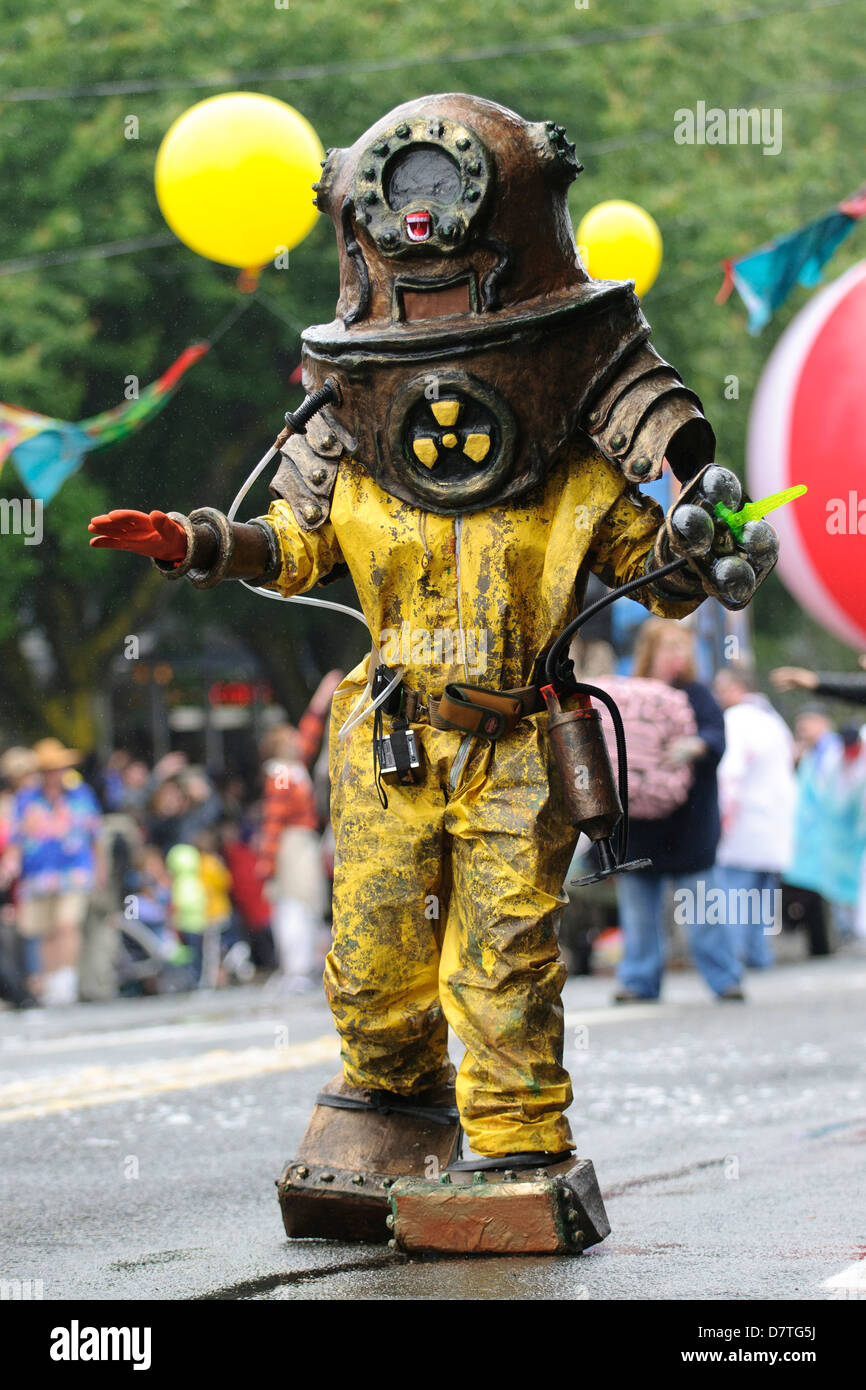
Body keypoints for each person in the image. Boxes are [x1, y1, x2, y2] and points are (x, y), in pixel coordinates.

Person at [86, 94, 778, 1251]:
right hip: (390, 735)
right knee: (372, 953)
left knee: (503, 957)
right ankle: (390, 1119)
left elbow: (652, 572)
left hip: (518, 738)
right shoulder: (355, 450)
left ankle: (514, 1154)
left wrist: (705, 550)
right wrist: (195, 539)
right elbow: (292, 547)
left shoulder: (575, 471)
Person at [613, 620, 743, 1002]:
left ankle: (725, 979)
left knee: (703, 912)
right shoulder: (627, 693)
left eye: (683, 648)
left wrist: (696, 745)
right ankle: (638, 981)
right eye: (670, 647)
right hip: (637, 827)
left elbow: (717, 738)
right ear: (650, 651)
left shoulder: (698, 695)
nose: (679, 656)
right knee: (638, 916)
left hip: (689, 827)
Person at [256, 671, 341, 990]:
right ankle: (296, 967)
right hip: (290, 846)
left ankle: (302, 964)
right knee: (295, 904)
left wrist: (321, 699)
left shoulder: (292, 770)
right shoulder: (281, 776)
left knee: (305, 902)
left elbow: (309, 733)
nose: (296, 741)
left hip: (299, 844)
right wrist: (268, 865)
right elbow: (273, 822)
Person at [4, 738, 103, 1005]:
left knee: (67, 925)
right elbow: (17, 838)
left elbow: (95, 836)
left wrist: (100, 870)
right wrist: (11, 864)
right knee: (45, 931)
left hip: (74, 872)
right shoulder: (27, 799)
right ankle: (50, 981)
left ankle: (65, 979)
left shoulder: (81, 795)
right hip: (38, 875)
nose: (54, 774)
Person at [712, 667, 797, 968]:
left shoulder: (736, 720)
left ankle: (733, 958)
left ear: (735, 688)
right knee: (763, 895)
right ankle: (759, 955)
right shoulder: (774, 721)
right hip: (774, 823)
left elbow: (730, 774)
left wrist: (721, 821)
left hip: (744, 824)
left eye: (721, 689)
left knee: (734, 894)